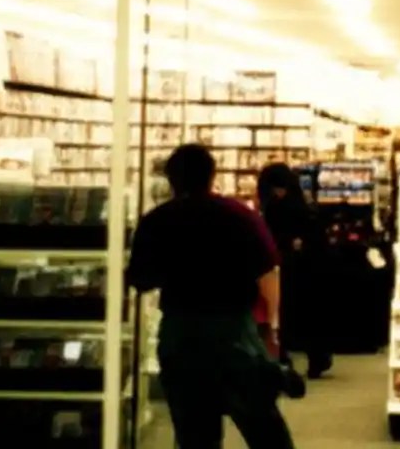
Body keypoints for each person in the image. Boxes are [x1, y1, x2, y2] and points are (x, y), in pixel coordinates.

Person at [127, 144, 296, 449]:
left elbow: (140, 279)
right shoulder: (239, 215)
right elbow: (267, 273)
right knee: (266, 430)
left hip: (181, 335)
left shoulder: (157, 220)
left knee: (195, 435)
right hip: (233, 333)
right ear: (211, 174)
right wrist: (271, 330)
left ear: (170, 179)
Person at [256, 162, 333, 379]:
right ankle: (316, 357)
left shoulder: (275, 208)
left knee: (287, 314)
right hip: (308, 269)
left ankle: (285, 357)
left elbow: (272, 238)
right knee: (309, 314)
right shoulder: (304, 205)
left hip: (288, 268)